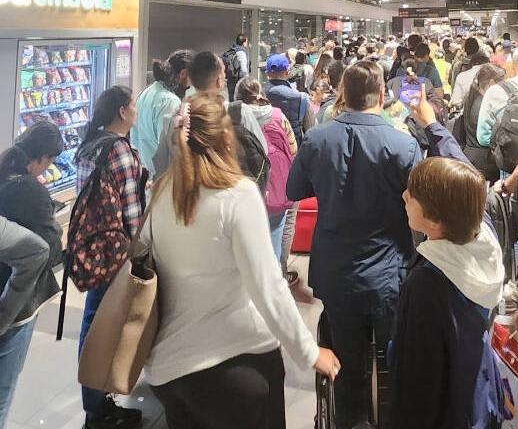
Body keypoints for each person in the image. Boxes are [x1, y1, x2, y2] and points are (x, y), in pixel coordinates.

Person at [142, 93, 338, 428]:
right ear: (227, 137)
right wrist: (308, 351)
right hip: (236, 365)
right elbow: (266, 287)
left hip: (169, 370)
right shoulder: (237, 196)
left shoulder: (161, 192)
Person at [286, 61, 420, 429]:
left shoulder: (317, 138)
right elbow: (420, 210)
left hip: (336, 272)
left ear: (344, 92)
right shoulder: (404, 144)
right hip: (389, 273)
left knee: (345, 363)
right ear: (381, 93)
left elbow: (293, 190)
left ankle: (351, 421)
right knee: (395, 361)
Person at [388, 156, 505, 428]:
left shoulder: (426, 283)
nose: (405, 195)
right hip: (472, 398)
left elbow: (418, 378)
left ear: (435, 221)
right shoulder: (483, 243)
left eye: (413, 195)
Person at [73, 86, 148, 429]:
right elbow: (131, 216)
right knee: (106, 327)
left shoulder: (90, 145)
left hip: (93, 252)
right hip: (115, 254)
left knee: (94, 322)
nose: (135, 111)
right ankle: (98, 409)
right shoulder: (119, 151)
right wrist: (140, 252)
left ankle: (96, 401)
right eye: (132, 106)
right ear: (122, 111)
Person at [0, 123, 63, 426]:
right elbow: (48, 251)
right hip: (16, 304)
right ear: (42, 158)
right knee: (3, 387)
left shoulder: (4, 168)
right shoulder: (31, 190)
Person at [234, 77, 308, 299]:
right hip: (277, 185)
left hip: (245, 186)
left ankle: (249, 284)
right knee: (280, 229)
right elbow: (293, 149)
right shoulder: (276, 115)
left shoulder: (233, 118)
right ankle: (277, 277)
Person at [153, 51, 266, 177]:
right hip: (231, 189)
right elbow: (261, 154)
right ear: (219, 80)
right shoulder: (240, 112)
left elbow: (161, 163)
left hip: (189, 192)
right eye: (223, 72)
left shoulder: (176, 117)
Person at [131, 50, 191, 175]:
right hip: (160, 178)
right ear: (183, 74)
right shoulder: (171, 102)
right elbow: (168, 149)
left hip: (143, 175)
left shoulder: (147, 92)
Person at [457, 64, 507, 181]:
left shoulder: (471, 97)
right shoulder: (484, 106)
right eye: (501, 84)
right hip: (485, 161)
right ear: (491, 83)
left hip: (470, 156)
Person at [264, 53, 312, 145]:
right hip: (294, 149)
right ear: (287, 72)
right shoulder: (301, 97)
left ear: (267, 73)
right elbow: (311, 129)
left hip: (267, 150)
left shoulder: (259, 96)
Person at [223, 34, 250, 101]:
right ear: (244, 43)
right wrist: (247, 79)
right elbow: (243, 68)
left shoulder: (232, 50)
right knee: (240, 99)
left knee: (232, 99)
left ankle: (232, 110)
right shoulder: (241, 52)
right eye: (246, 41)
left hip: (230, 78)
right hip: (238, 79)